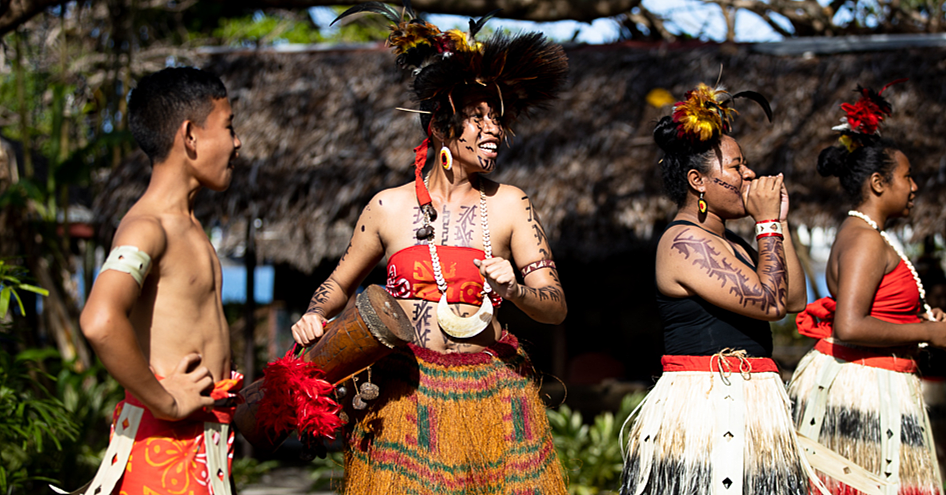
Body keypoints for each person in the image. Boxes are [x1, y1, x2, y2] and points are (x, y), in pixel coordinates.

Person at [290, 4, 569, 494]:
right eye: (478, 118)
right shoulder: (387, 208)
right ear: (442, 127)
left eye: (498, 119)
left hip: (492, 396)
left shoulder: (510, 204)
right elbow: (336, 285)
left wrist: (517, 290)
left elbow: (556, 307)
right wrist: (315, 314)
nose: (494, 131)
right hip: (405, 397)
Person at [620, 82, 819, 495]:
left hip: (751, 407)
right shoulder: (684, 243)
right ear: (698, 181)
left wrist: (777, 223)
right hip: (707, 410)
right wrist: (764, 226)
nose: (749, 174)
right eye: (736, 166)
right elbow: (768, 302)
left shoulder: (736, 244)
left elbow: (795, 300)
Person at [72, 67, 243, 495]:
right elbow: (99, 319)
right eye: (229, 127)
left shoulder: (189, 226)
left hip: (203, 444)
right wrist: (165, 401)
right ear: (190, 136)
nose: (237, 143)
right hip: (165, 447)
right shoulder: (148, 227)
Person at [790, 81, 945, 495]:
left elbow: (876, 312)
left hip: (877, 385)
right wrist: (928, 332)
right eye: (907, 178)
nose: (914, 187)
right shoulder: (864, 239)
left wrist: (920, 319)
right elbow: (851, 326)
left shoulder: (867, 233)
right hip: (867, 391)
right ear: (878, 183)